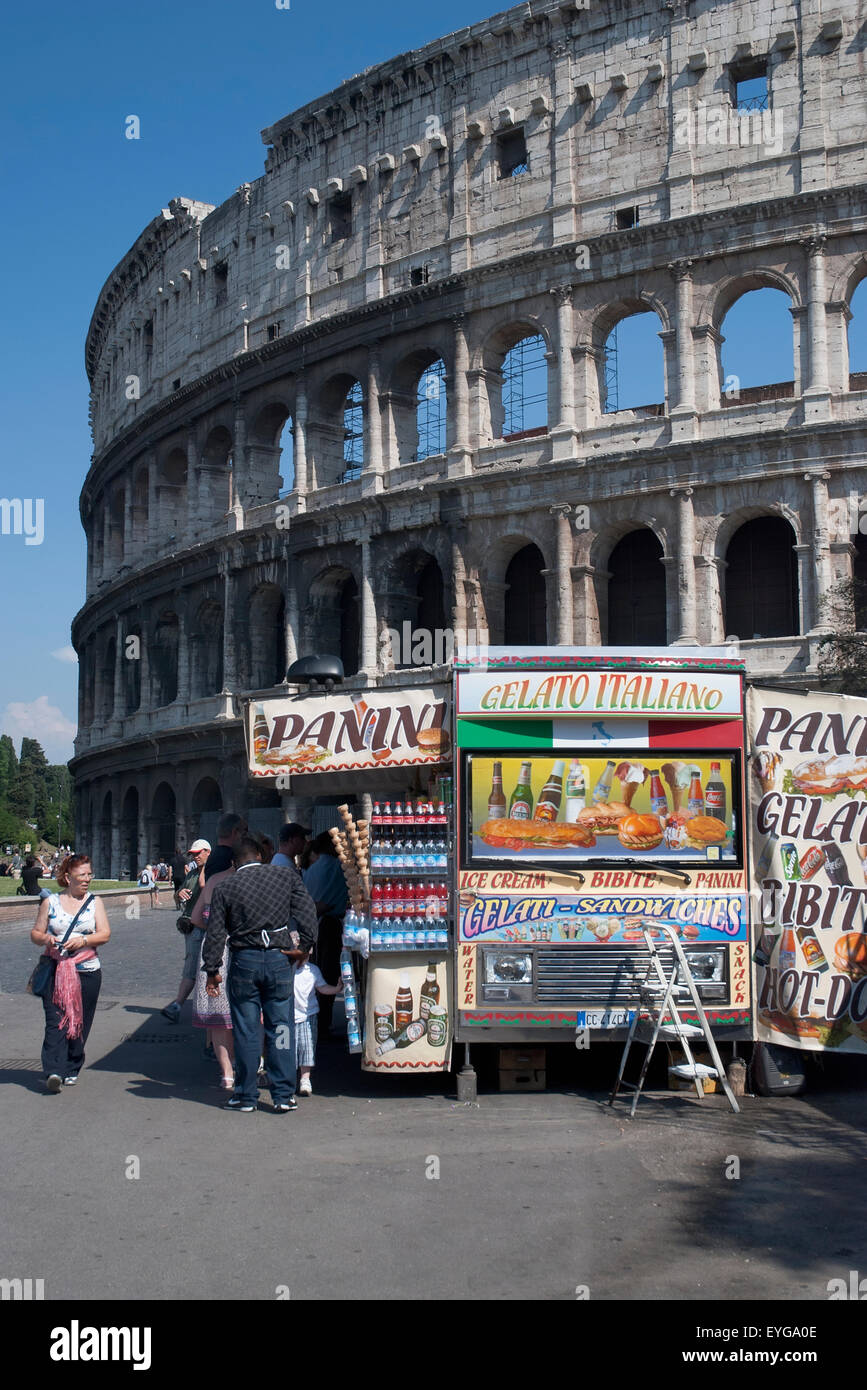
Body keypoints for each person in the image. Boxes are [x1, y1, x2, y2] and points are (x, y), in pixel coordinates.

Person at [202, 835, 317, 1113]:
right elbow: (307, 911)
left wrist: (212, 970)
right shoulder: (285, 877)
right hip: (279, 959)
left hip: (245, 960)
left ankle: (246, 1095)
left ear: (234, 862)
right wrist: (305, 946)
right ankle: (283, 1094)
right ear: (261, 856)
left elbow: (215, 932)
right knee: (281, 1027)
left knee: (246, 1029)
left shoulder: (226, 886)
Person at [30, 853, 111, 1091]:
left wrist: (83, 940)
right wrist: (46, 938)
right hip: (56, 970)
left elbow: (105, 934)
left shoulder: (95, 902)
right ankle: (54, 1070)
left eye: (89, 874)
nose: (87, 879)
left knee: (80, 1021)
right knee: (55, 1022)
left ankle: (72, 1066)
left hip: (86, 971)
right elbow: (35, 933)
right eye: (82, 875)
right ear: (68, 877)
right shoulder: (51, 902)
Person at [190, 855, 235, 1087]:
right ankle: (250, 1064)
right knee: (248, 1012)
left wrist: (211, 928)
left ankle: (227, 1072)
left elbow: (196, 918)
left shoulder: (212, 882)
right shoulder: (244, 879)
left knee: (218, 1015)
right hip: (238, 948)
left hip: (212, 951)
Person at [302, 832, 348, 1036]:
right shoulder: (338, 867)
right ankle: (324, 1021)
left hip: (313, 923)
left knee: (315, 971)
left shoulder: (311, 869)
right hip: (331, 923)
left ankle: (316, 1019)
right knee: (328, 973)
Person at [160, 840, 211, 1023]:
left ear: (208, 852)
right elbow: (177, 896)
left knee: (195, 969)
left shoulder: (212, 874)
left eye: (198, 853)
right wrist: (178, 895)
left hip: (204, 928)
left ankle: (179, 1005)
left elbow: (204, 886)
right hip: (191, 928)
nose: (195, 857)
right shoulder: (192, 874)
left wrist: (207, 867)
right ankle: (185, 1006)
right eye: (193, 854)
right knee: (193, 967)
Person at [293, 948, 342, 1096]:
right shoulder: (284, 968)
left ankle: (305, 1079)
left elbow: (322, 987)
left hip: (308, 1014)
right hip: (287, 1016)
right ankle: (289, 1079)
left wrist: (336, 989)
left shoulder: (313, 970)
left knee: (307, 1048)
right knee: (288, 1050)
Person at [204, 813, 247, 881]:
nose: (245, 838)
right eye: (243, 833)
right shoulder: (230, 857)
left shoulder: (213, 855)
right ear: (234, 832)